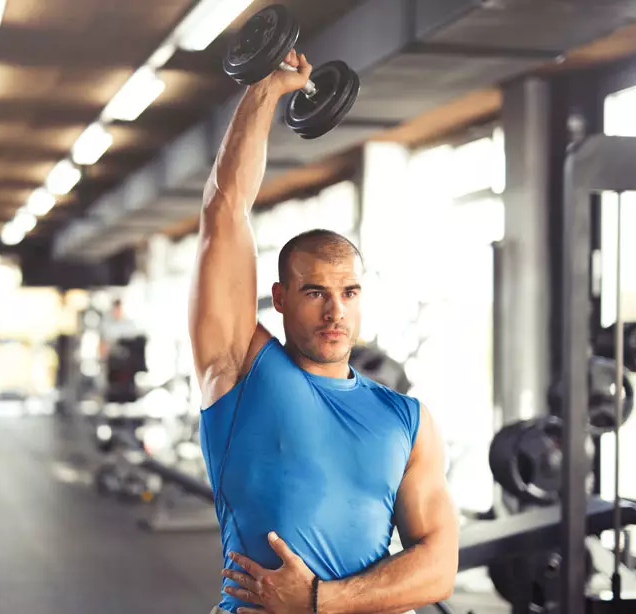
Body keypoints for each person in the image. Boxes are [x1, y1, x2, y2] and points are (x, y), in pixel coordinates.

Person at [189, 50, 459, 614]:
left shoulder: (406, 420)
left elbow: (438, 566)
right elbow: (225, 210)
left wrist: (318, 599)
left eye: (349, 293)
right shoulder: (241, 367)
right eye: (315, 293)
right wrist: (264, 91)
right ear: (281, 299)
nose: (336, 312)